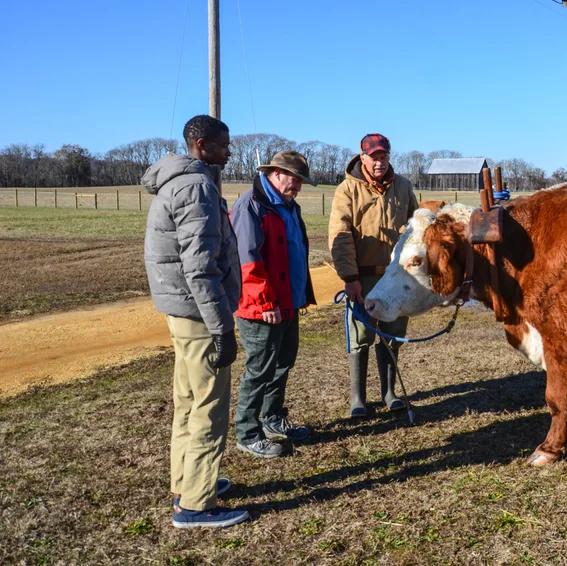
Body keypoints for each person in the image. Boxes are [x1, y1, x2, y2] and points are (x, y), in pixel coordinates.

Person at [142, 114, 249, 529]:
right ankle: (197, 505)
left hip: (182, 312)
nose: (229, 151)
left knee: (187, 401)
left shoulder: (178, 182)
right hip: (200, 314)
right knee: (209, 407)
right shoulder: (196, 187)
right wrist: (222, 327)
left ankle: (187, 483)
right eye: (223, 144)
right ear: (201, 145)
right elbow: (200, 268)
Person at [230, 151, 318, 457]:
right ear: (276, 173)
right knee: (259, 370)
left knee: (282, 364)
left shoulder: (289, 206)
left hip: (288, 303)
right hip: (262, 308)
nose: (298, 186)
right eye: (295, 179)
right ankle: (247, 433)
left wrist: (299, 295)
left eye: (302, 181)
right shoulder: (251, 206)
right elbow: (247, 260)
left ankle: (273, 418)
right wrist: (265, 301)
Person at [329, 133, 418, 418]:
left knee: (393, 334)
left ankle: (389, 393)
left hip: (396, 278)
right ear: (362, 157)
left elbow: (416, 229)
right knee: (361, 335)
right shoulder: (347, 189)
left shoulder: (403, 186)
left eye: (384, 157)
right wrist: (349, 277)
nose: (379, 162)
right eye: (374, 157)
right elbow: (340, 235)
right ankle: (358, 399)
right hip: (363, 277)